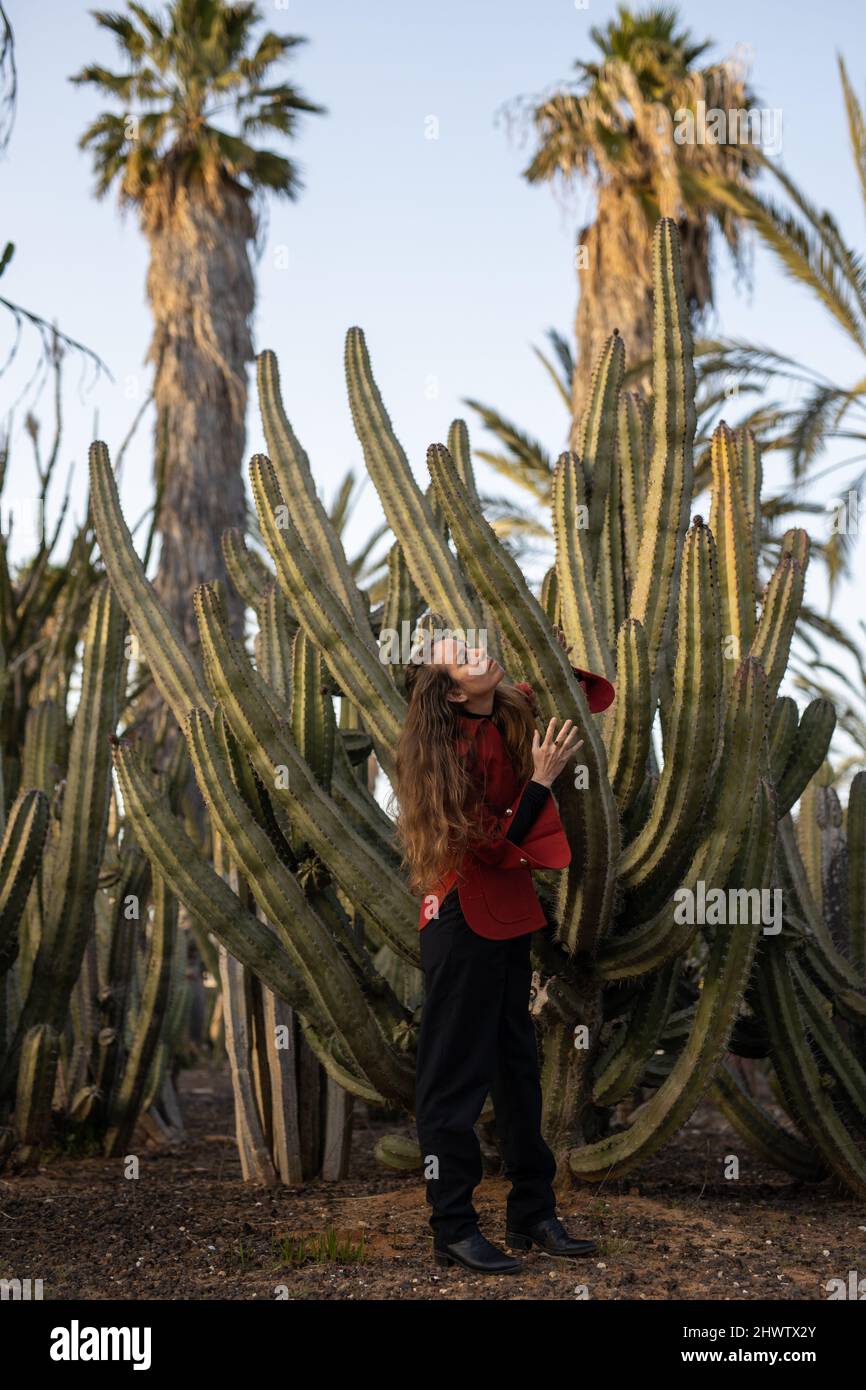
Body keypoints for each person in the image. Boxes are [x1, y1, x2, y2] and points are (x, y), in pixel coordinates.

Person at [393, 632, 615, 1274]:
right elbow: (489, 845)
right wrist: (540, 783)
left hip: (508, 913)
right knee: (454, 1077)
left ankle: (532, 1213)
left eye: (471, 644)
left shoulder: (505, 705)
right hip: (461, 916)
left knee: (517, 1069)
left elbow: (590, 695)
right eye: (460, 657)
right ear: (452, 690)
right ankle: (453, 1227)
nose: (477, 652)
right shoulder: (445, 753)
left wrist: (545, 649)